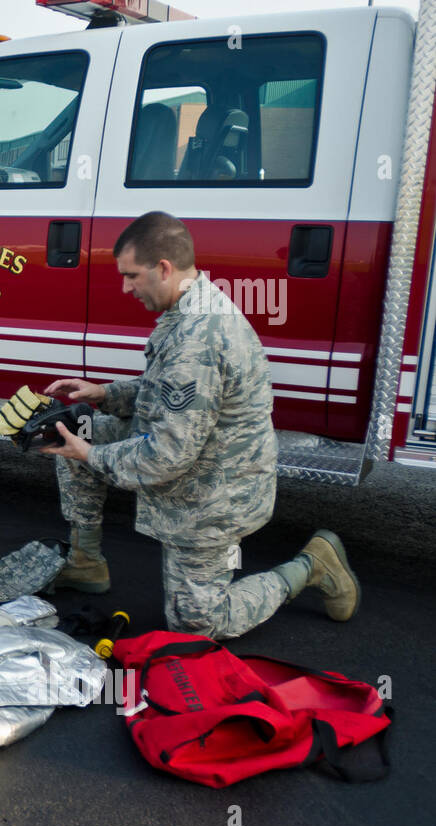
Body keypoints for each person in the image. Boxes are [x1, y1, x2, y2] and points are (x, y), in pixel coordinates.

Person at [39, 211, 359, 640]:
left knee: (199, 624)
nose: (125, 287)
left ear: (164, 268)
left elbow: (165, 457)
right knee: (75, 431)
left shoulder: (198, 336)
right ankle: (86, 562)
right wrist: (103, 394)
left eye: (132, 275)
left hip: (214, 493)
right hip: (193, 458)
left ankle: (311, 566)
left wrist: (92, 455)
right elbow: (164, 392)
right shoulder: (194, 304)